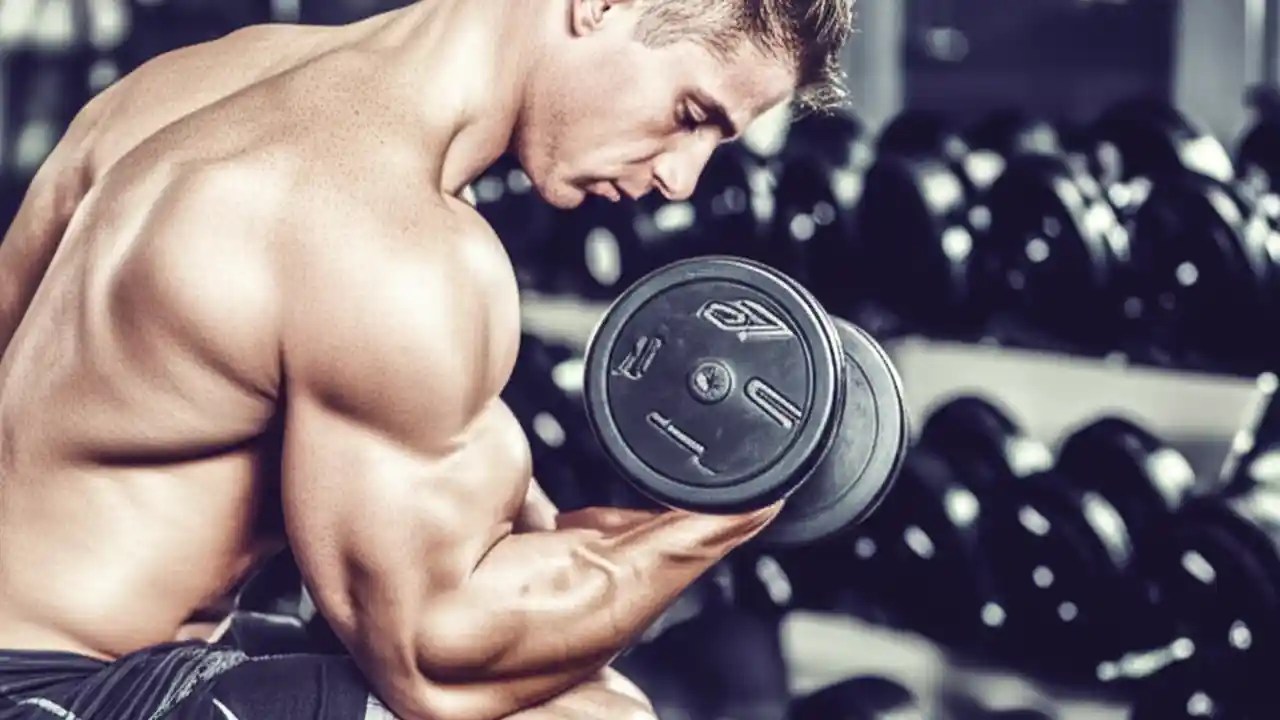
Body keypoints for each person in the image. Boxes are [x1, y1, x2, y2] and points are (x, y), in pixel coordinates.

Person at [0, 0, 854, 717]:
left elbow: (494, 515)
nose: (684, 178)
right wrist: (730, 513)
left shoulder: (198, 84)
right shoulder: (388, 237)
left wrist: (629, 532)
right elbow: (434, 662)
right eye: (692, 115)